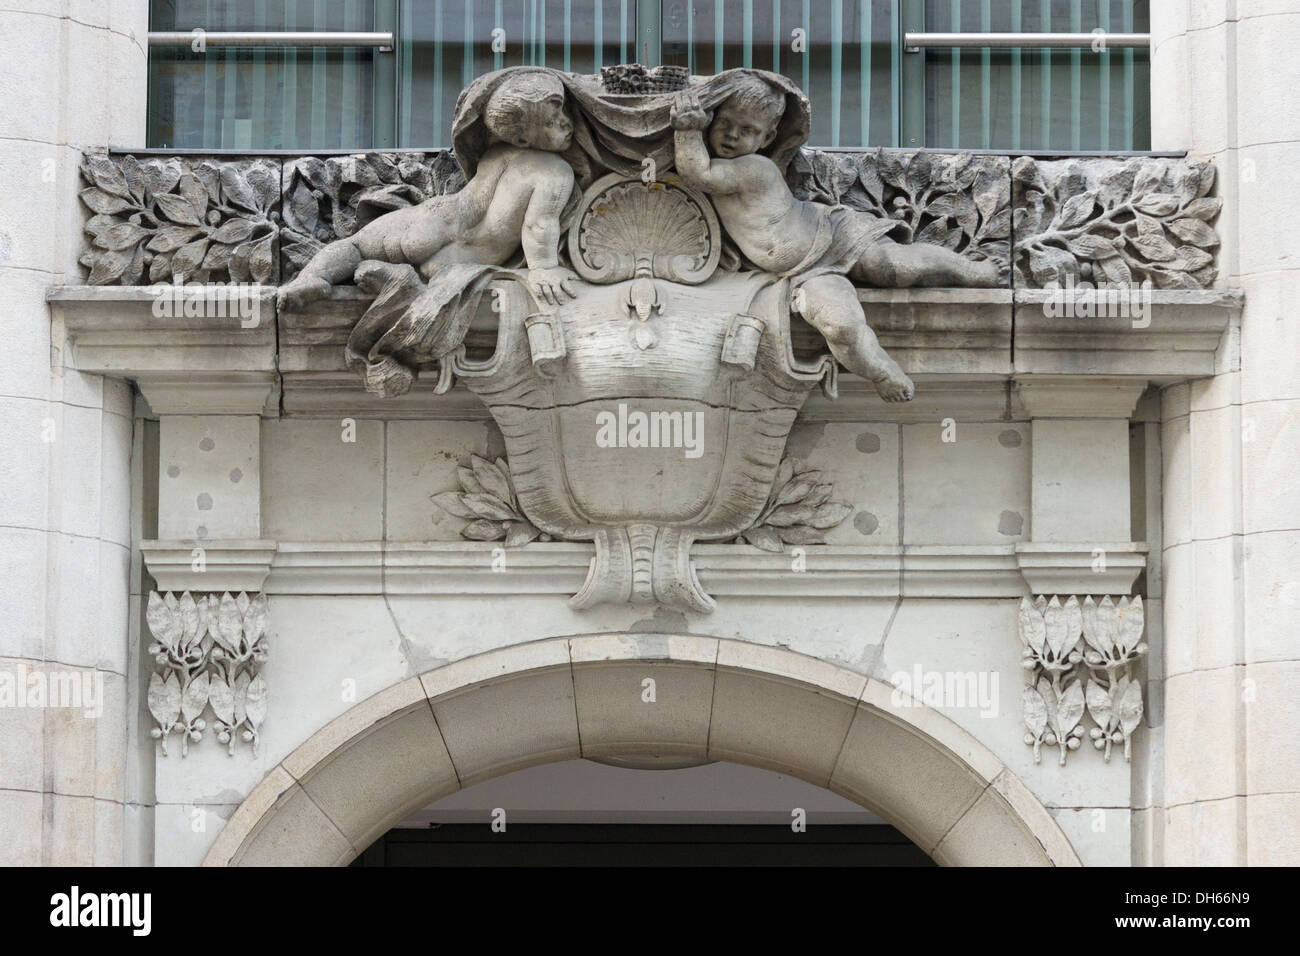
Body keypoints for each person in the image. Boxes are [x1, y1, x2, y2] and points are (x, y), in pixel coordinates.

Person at [671, 78, 1000, 401]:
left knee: (893, 265)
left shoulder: (755, 168)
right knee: (839, 326)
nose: (731, 135)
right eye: (725, 123)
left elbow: (697, 173)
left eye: (747, 131)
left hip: (831, 234)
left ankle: (975, 271)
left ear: (767, 137)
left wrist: (686, 130)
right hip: (802, 274)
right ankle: (881, 369)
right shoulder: (729, 168)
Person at [277, 71, 581, 313]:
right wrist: (544, 268)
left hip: (432, 217)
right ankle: (388, 276)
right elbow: (537, 225)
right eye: (553, 122)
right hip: (461, 256)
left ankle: (314, 277)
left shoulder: (498, 152)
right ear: (524, 140)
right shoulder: (556, 172)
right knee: (415, 271)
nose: (567, 123)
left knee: (356, 245)